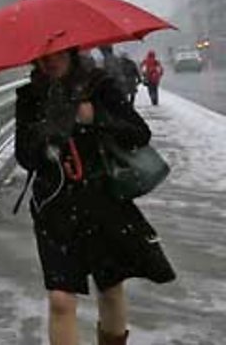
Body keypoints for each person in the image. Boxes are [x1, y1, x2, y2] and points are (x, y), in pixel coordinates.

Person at [15, 48, 175, 345]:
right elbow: (24, 156)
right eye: (42, 56)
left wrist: (95, 117)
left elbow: (139, 133)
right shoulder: (30, 96)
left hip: (103, 201)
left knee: (110, 288)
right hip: (55, 208)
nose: (49, 60)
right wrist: (47, 135)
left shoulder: (98, 86)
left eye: (56, 54)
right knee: (61, 299)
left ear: (72, 52)